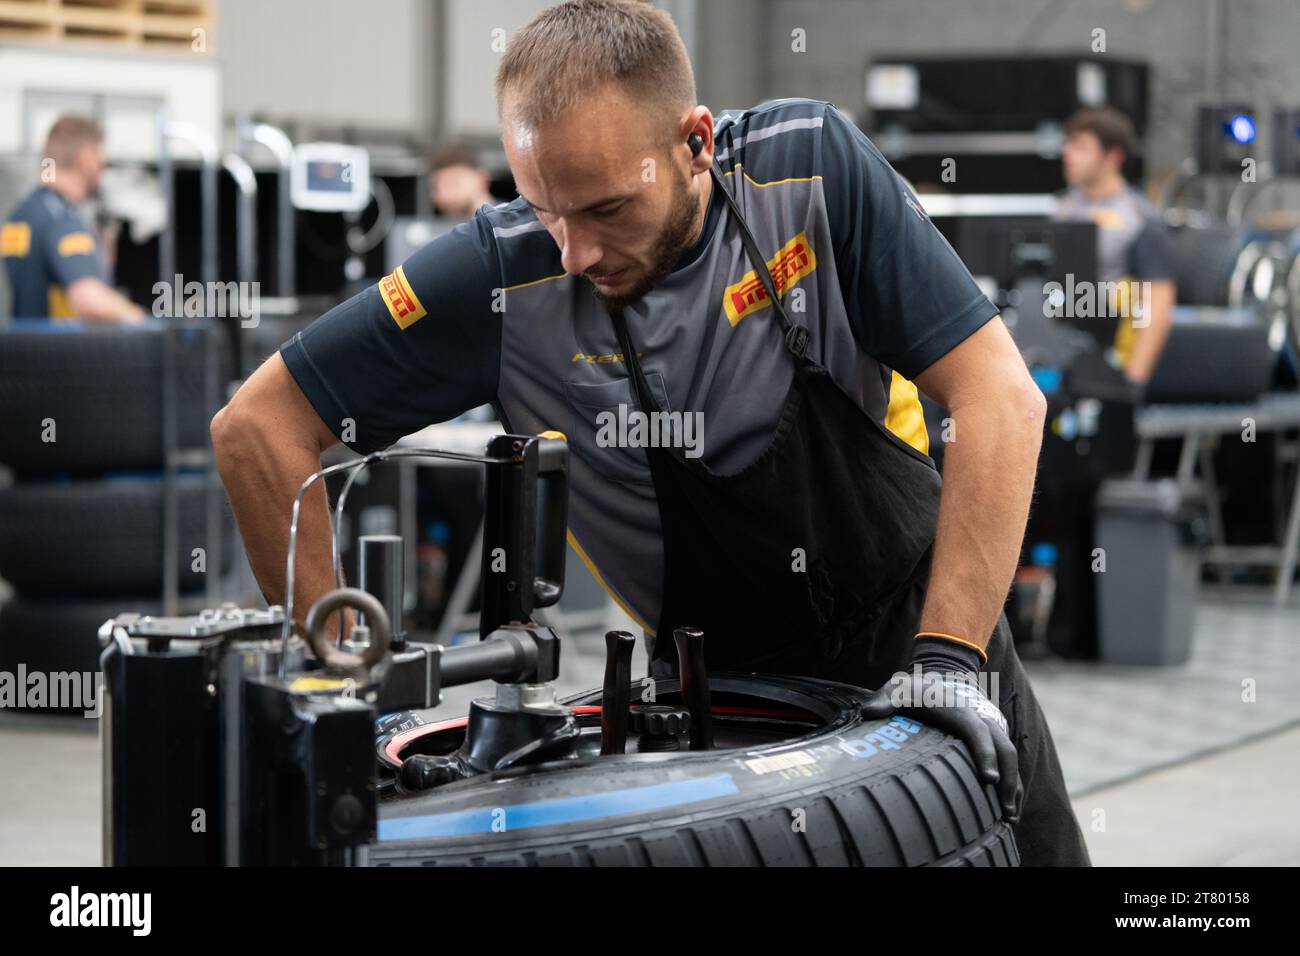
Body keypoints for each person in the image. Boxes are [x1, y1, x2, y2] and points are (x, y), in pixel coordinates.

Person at [212, 0, 1089, 865]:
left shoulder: (810, 176)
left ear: (695, 142)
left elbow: (999, 401)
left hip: (933, 650)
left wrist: (947, 660)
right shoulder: (502, 277)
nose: (572, 255)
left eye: (603, 210)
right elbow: (257, 428)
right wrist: (345, 681)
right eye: (544, 208)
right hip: (715, 711)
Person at [1054, 106, 1176, 387]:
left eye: (1081, 147)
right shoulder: (1060, 209)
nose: (1068, 154)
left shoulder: (1139, 218)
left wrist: (1133, 381)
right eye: (1068, 144)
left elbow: (1157, 302)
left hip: (1110, 357)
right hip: (1059, 355)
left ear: (1112, 157)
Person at [1, 115, 144, 323]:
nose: (102, 171)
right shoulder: (62, 218)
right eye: (101, 163)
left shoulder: (21, 214)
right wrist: (140, 320)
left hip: (19, 349)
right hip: (58, 351)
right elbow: (86, 296)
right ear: (86, 160)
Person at [428, 141, 499, 220]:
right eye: (436, 188)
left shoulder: (511, 223)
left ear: (481, 180)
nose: (443, 196)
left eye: (452, 184)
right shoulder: (436, 228)